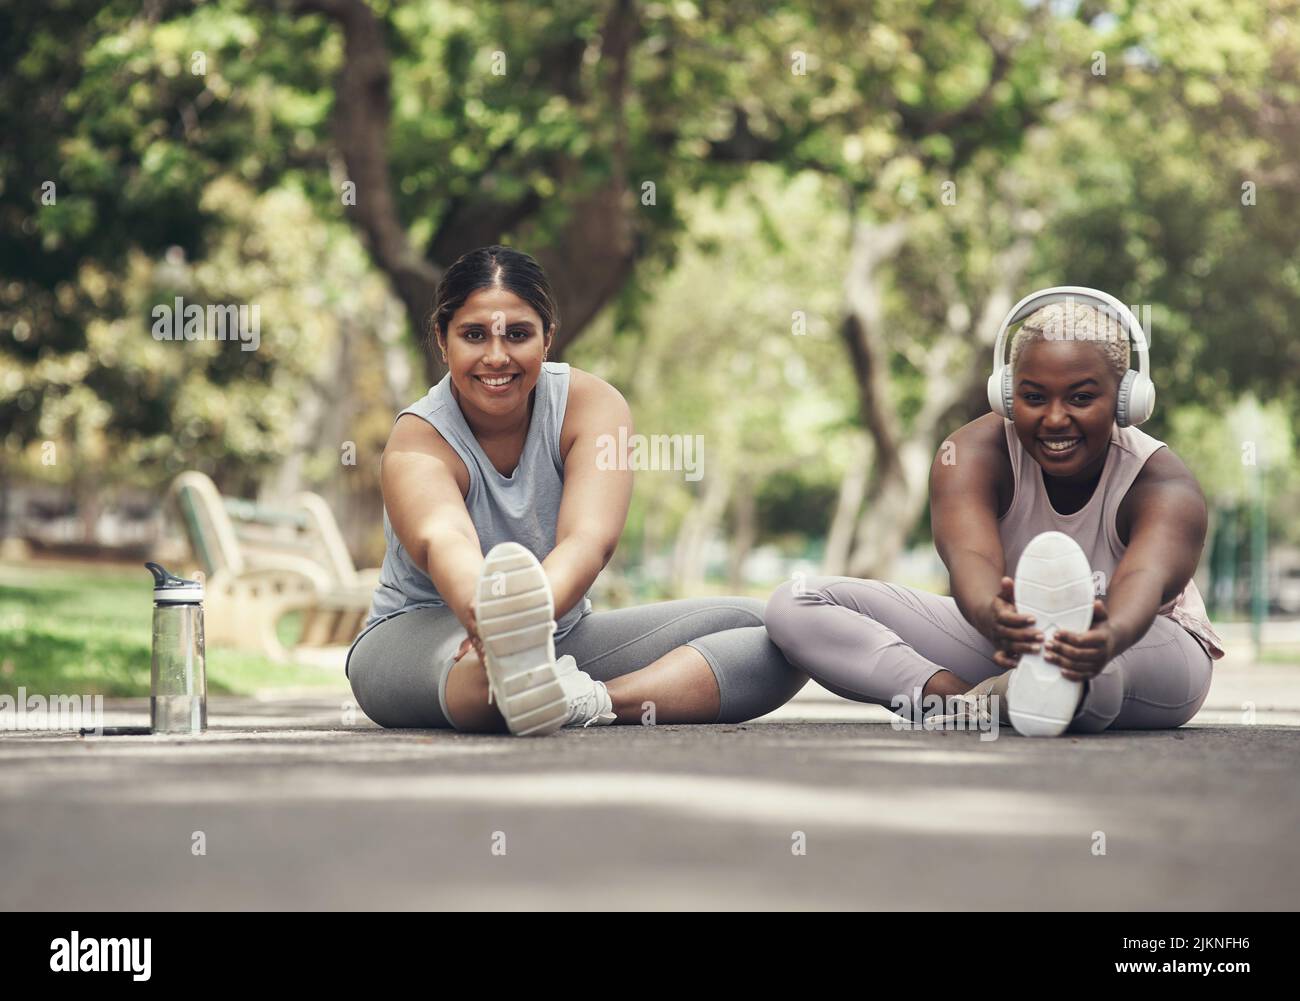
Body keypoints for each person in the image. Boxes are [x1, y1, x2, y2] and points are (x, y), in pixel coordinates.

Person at [346, 245, 807, 735]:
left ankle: (590, 699)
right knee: (494, 681)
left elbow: (589, 541)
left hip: (560, 637)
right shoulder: (419, 438)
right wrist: (496, 627)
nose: (496, 356)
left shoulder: (591, 405)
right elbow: (445, 542)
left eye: (518, 335)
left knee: (788, 632)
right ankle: (512, 682)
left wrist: (527, 627)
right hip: (421, 638)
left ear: (548, 339)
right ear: (443, 340)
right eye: (474, 335)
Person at [764, 288, 1224, 736]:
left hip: (1141, 645)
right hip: (1010, 641)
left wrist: (1107, 635)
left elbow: (1142, 580)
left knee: (1089, 674)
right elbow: (973, 560)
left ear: (1127, 400)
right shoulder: (967, 454)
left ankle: (1044, 691)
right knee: (796, 601)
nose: (1056, 418)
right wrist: (992, 615)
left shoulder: (1163, 483)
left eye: (1081, 398)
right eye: (1034, 397)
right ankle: (964, 700)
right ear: (1006, 395)